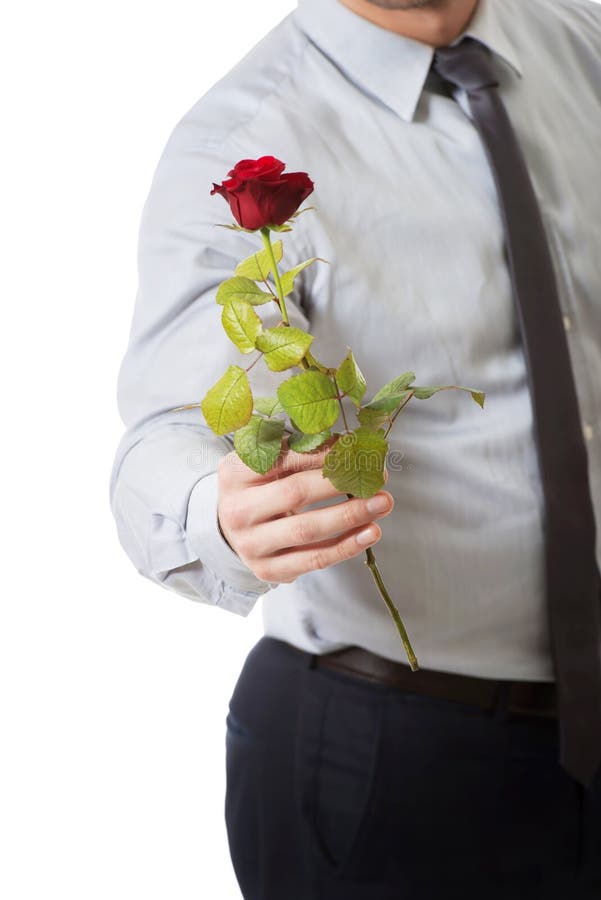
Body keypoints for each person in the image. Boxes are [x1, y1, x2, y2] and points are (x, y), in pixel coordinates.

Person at [109, 0, 601, 896]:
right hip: (395, 758)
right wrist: (213, 514)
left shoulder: (578, 40)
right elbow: (170, 431)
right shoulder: (245, 138)